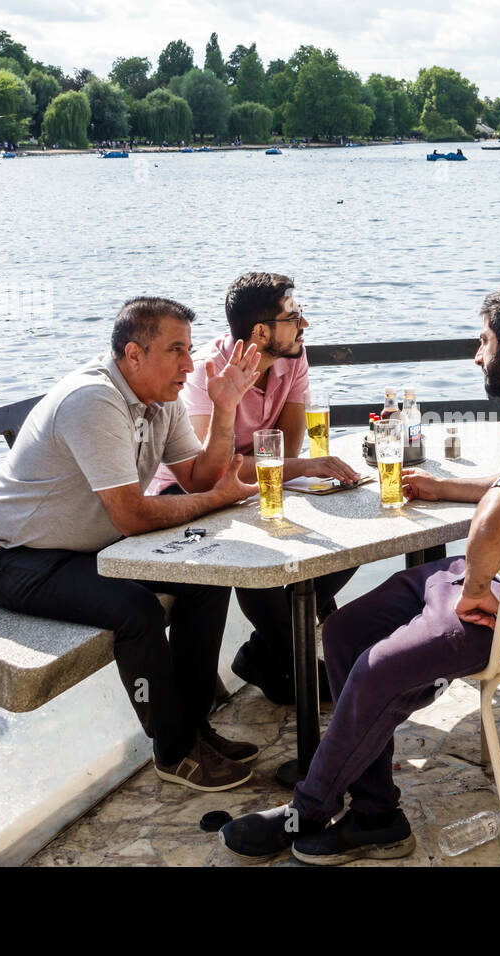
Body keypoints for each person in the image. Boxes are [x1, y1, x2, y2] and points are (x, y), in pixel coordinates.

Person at [222, 282, 500, 864]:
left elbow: (494, 519)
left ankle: (304, 811)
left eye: (484, 342)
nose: (477, 356)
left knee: (381, 666)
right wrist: (445, 488)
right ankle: (376, 815)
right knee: (344, 631)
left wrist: (475, 592)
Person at [0, 297, 264, 792]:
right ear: (133, 354)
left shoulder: (160, 399)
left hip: (85, 550)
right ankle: (174, 752)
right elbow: (133, 514)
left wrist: (226, 410)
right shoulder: (93, 401)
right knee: (135, 609)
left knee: (206, 578)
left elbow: (200, 479)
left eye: (189, 349)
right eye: (176, 350)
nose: (190, 364)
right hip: (12, 560)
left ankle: (193, 729)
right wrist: (215, 500)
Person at [150, 273, 360, 705]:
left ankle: (265, 656)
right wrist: (296, 466)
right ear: (261, 331)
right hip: (185, 492)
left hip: (261, 482)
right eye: (294, 316)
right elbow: (211, 473)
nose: (305, 324)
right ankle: (297, 670)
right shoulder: (208, 373)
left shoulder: (293, 358)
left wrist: (287, 466)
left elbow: (289, 442)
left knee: (351, 535)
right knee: (254, 555)